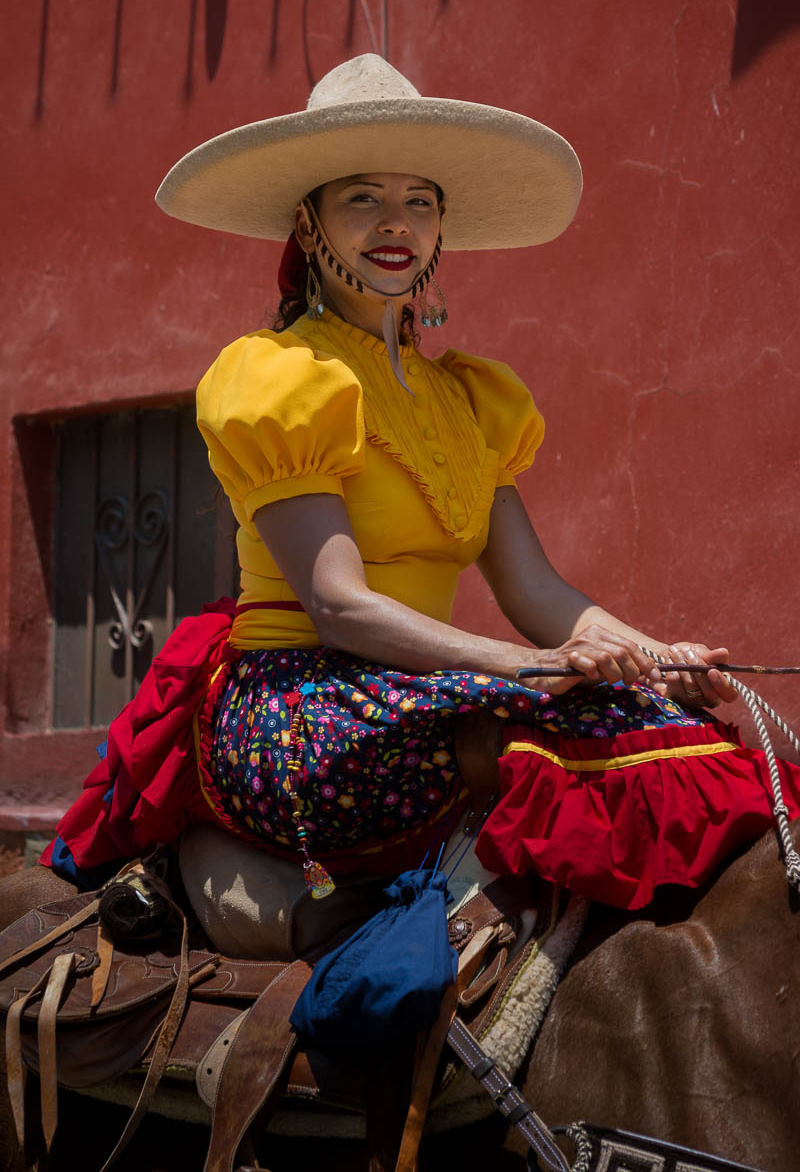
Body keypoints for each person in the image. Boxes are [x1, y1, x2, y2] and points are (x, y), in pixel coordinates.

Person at [40, 54, 800, 913]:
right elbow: (338, 606)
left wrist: (659, 658)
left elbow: (536, 590)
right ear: (309, 221)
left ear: (442, 227)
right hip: (299, 707)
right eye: (363, 197)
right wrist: (530, 667)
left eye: (420, 200)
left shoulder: (472, 402)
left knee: (688, 729)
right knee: (563, 736)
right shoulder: (281, 378)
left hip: (422, 693)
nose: (395, 222)